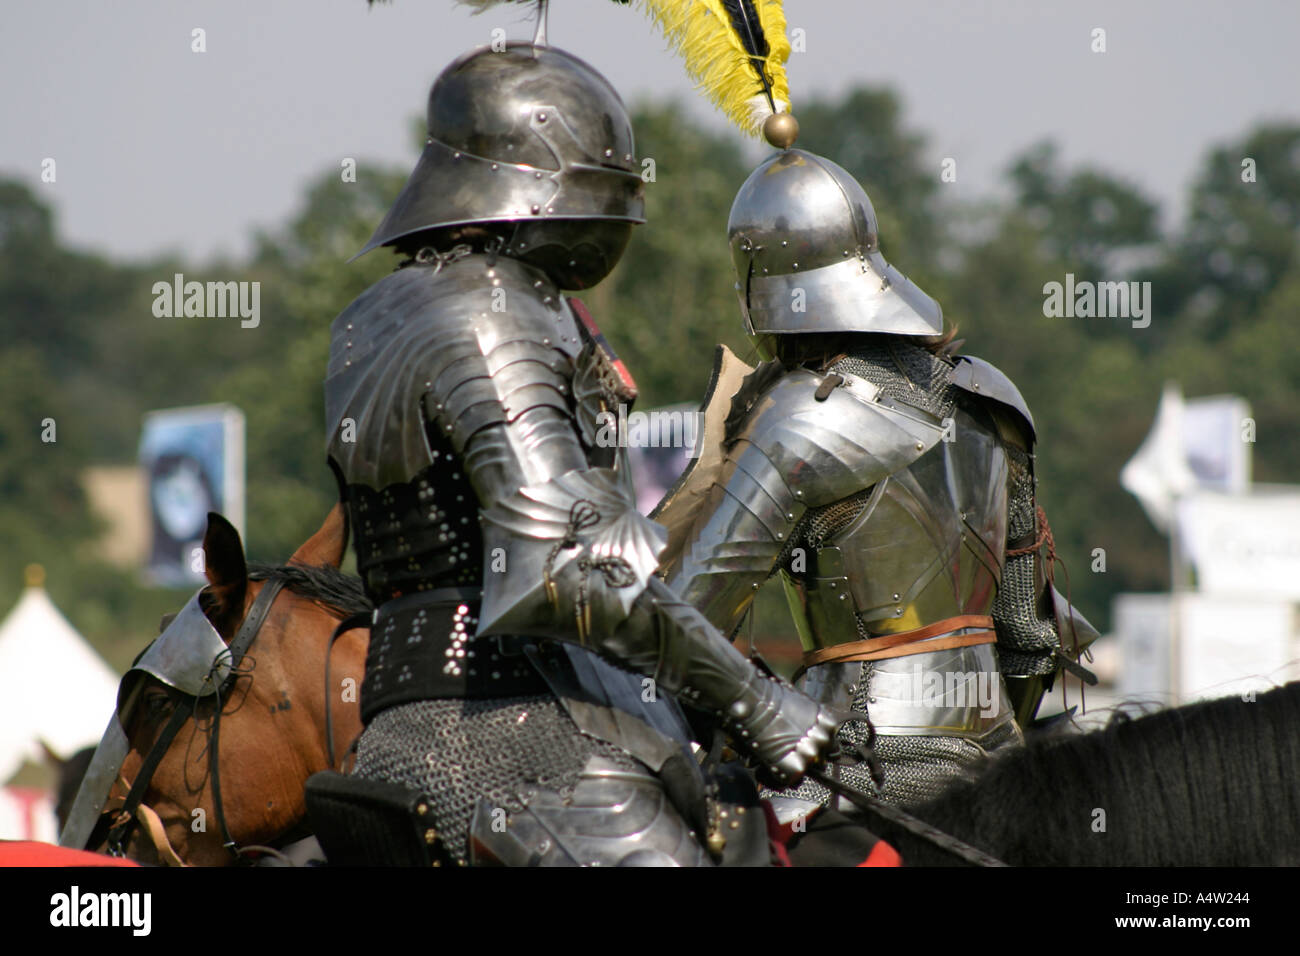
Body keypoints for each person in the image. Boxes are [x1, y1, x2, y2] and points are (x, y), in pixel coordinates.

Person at [311, 43, 838, 867]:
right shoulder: (496, 310)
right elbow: (561, 574)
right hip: (517, 729)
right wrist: (760, 702)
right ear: (531, 176)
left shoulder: (371, 316)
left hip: (399, 723)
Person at [658, 147, 1098, 825]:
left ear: (756, 281)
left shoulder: (799, 419)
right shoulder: (988, 398)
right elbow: (1028, 632)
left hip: (852, 771)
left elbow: (684, 623)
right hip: (1000, 770)